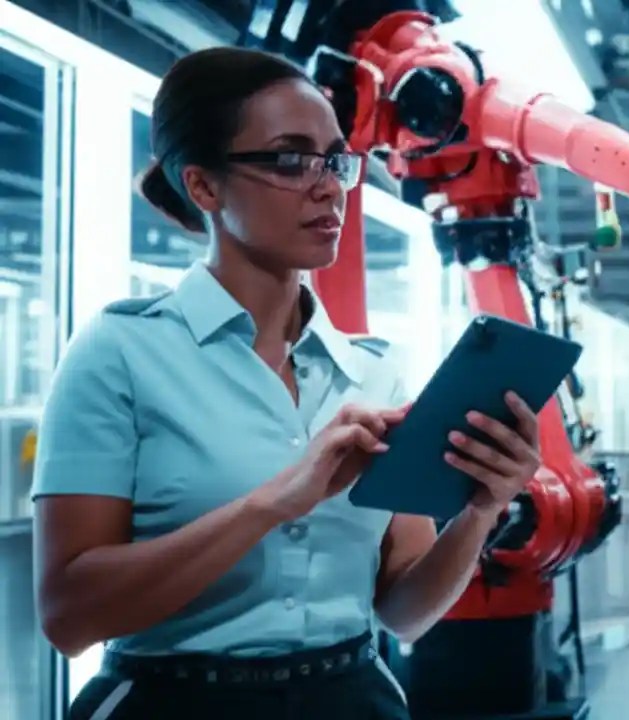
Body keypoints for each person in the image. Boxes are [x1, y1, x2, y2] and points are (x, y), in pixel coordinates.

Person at [32, 46, 542, 720]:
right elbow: (69, 618)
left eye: (334, 159)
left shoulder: (371, 370)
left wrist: (480, 510)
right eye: (288, 159)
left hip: (352, 699)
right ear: (205, 187)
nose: (329, 185)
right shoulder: (118, 354)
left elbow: (403, 612)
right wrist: (278, 499)